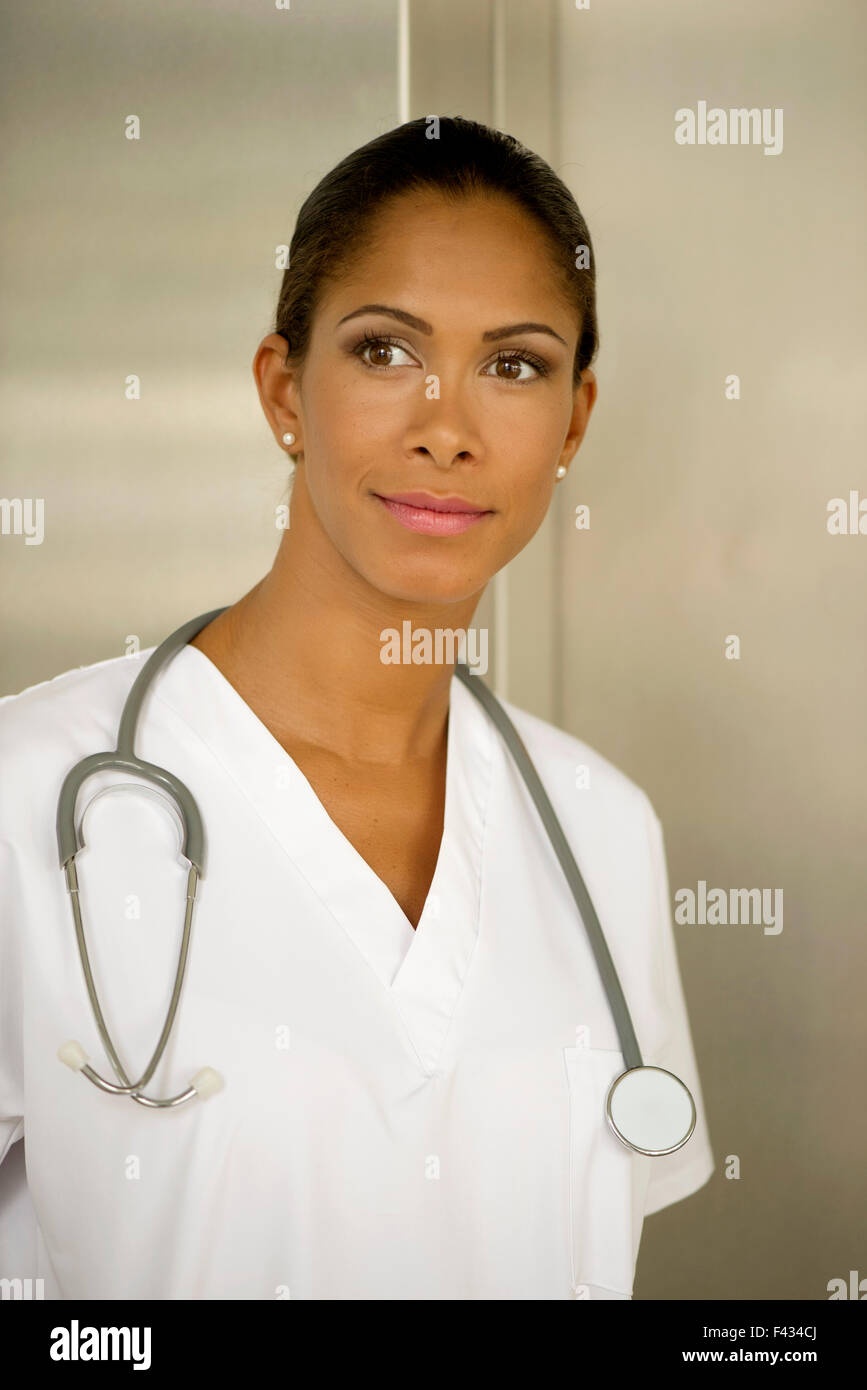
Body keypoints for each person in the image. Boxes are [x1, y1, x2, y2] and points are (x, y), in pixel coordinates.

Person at [0, 116, 714, 1300]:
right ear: (285, 389)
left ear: (574, 422)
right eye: (386, 351)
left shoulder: (605, 830)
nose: (446, 426)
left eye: (515, 364)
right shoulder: (27, 796)